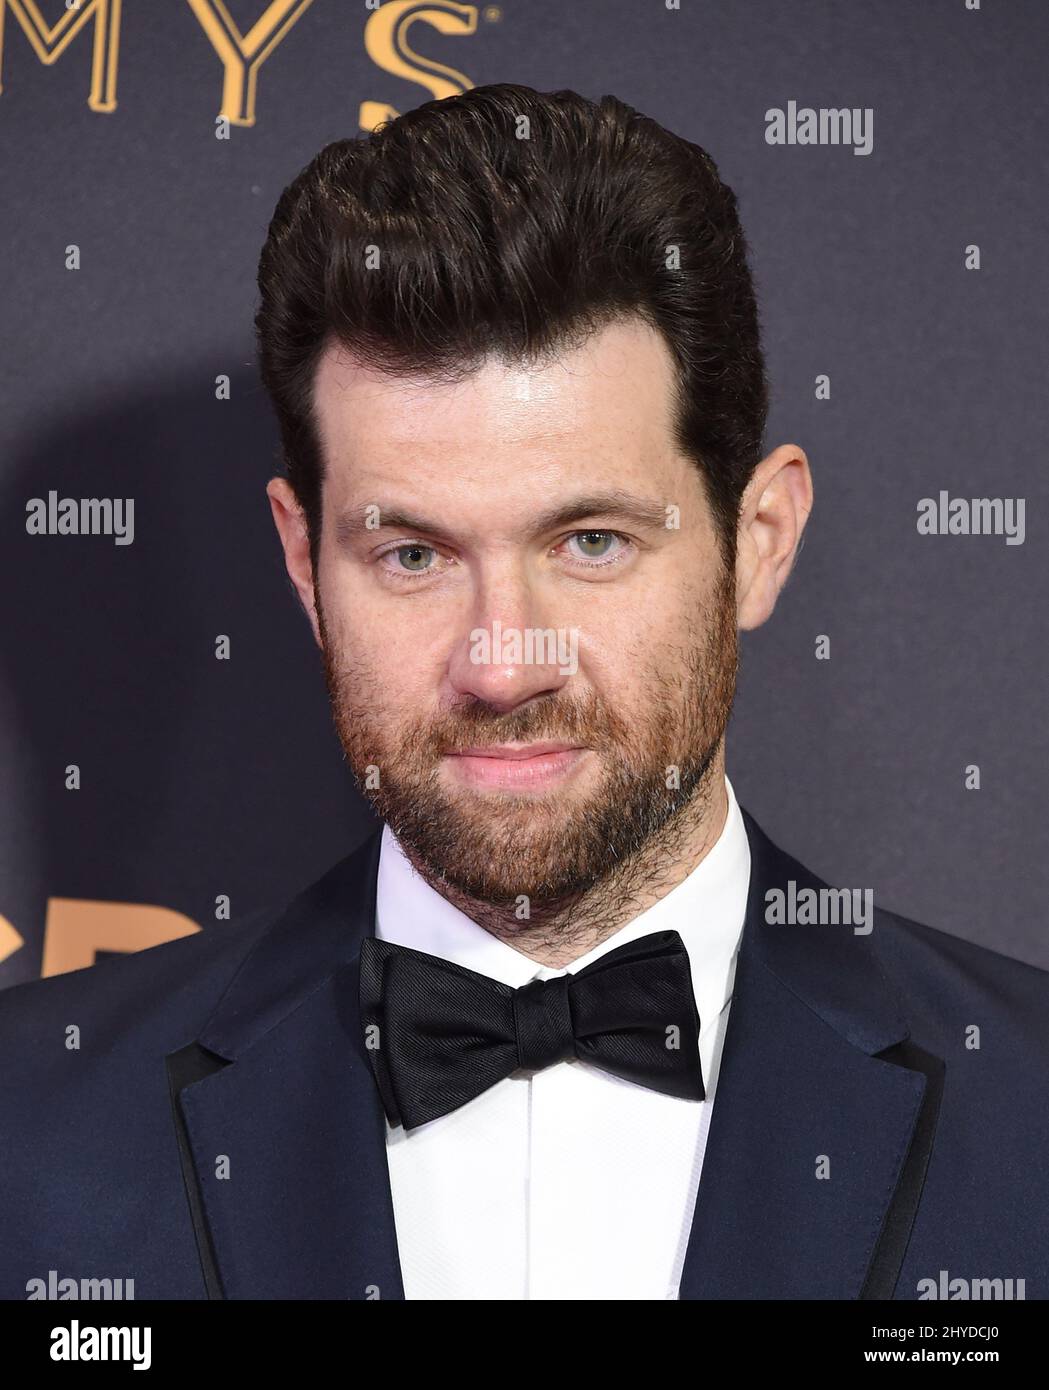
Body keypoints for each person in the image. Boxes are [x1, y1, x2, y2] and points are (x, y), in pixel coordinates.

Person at [2, 84, 1046, 1302]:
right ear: (303, 564)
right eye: (412, 555)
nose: (500, 663)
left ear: (758, 538)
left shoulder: (1024, 1110)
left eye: (590, 541)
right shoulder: (30, 1132)